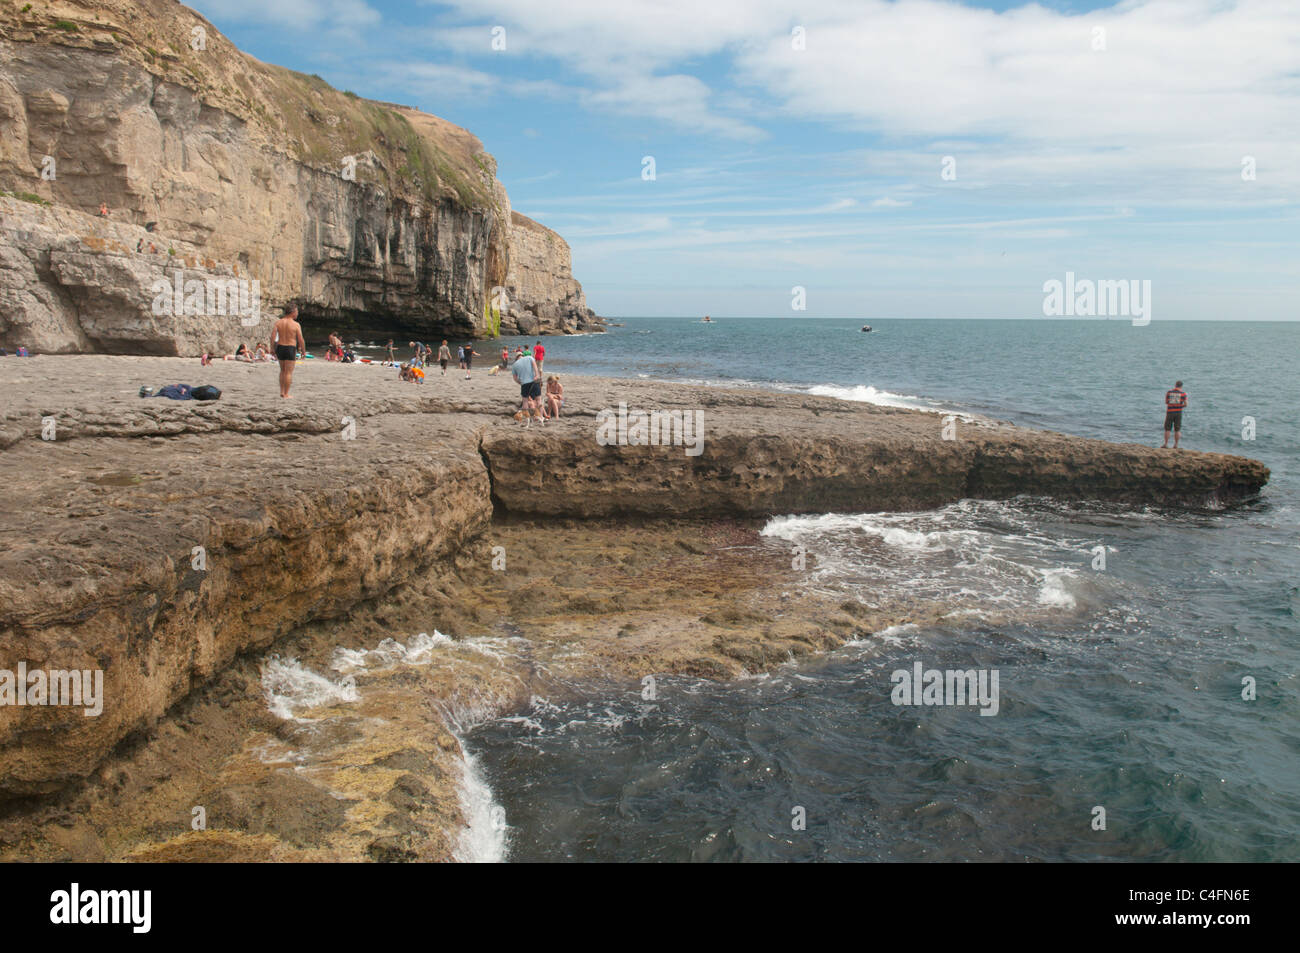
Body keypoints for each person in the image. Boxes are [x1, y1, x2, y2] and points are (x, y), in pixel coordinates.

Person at [272, 302, 306, 398]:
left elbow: (273, 337)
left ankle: (282, 391)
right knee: (288, 372)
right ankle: (286, 393)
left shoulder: (278, 322)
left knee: (282, 371)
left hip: (280, 347)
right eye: (297, 311)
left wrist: (272, 348)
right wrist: (303, 351)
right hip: (290, 348)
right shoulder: (296, 324)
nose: (297, 313)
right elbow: (300, 339)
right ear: (293, 312)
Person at [511, 348, 542, 422]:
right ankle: (540, 416)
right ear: (522, 355)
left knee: (525, 402)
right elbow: (535, 368)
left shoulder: (514, 365)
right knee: (538, 400)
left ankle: (527, 419)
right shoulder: (530, 357)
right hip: (534, 381)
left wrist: (520, 382)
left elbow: (515, 378)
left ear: (516, 358)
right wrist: (537, 375)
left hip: (524, 384)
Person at [1162, 380, 1188, 449]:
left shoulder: (1169, 392)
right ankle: (1176, 445)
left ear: (1175, 385)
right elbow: (1186, 404)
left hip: (1170, 412)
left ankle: (1166, 444)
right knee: (1177, 429)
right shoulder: (1183, 394)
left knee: (1167, 428)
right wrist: (1180, 406)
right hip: (1178, 412)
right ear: (1181, 386)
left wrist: (1172, 404)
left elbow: (1166, 402)